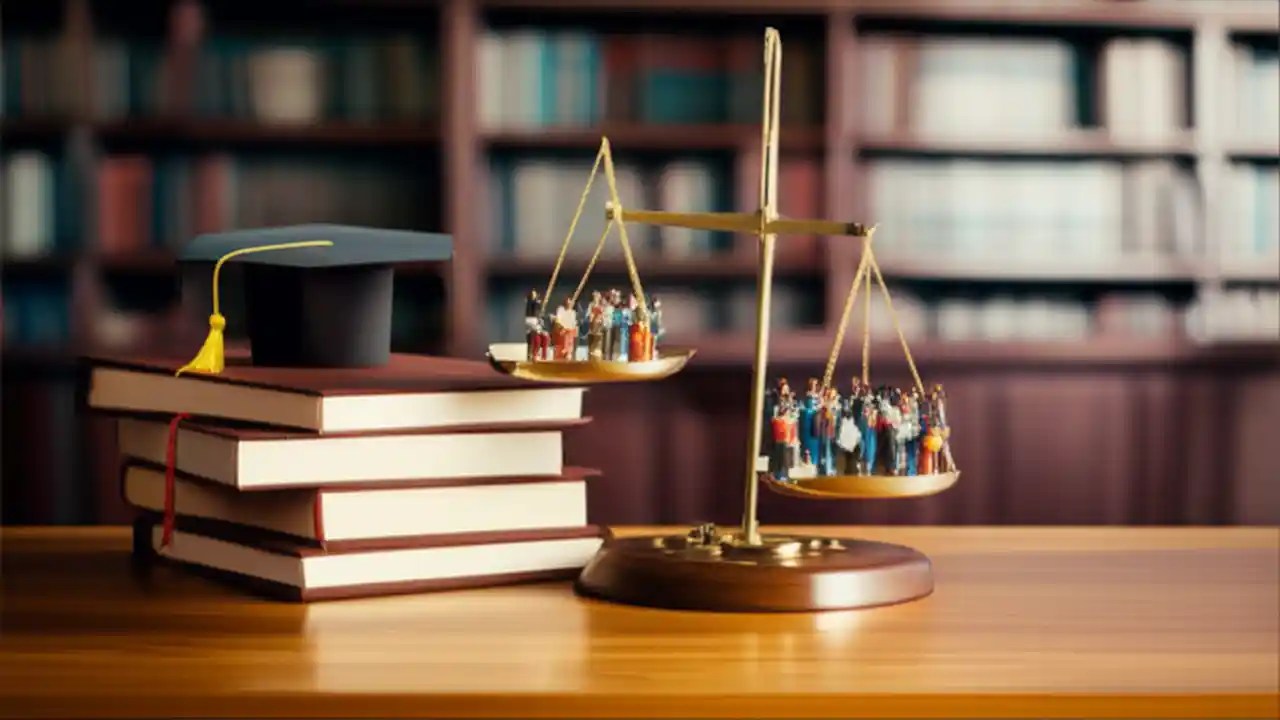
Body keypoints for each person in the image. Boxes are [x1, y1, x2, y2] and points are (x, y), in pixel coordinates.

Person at [834, 394, 860, 475]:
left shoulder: (852, 418)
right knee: (849, 454)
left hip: (852, 438)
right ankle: (851, 469)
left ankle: (852, 469)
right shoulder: (842, 419)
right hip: (845, 438)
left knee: (853, 452)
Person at [768, 405, 791, 481]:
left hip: (777, 441)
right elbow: (786, 432)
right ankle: (781, 475)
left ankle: (777, 474)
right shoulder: (783, 421)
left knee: (778, 460)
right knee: (782, 460)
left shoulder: (775, 421)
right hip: (782, 441)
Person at [551, 296, 577, 360]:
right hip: (561, 331)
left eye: (570, 302)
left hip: (569, 333)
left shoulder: (573, 312)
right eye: (567, 302)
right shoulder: (561, 309)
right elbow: (557, 321)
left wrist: (570, 329)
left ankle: (568, 353)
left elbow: (573, 324)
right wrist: (562, 328)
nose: (569, 304)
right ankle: (565, 352)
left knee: (571, 333)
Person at [587, 291, 606, 360]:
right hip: (593, 323)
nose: (596, 298)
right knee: (592, 336)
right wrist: (591, 317)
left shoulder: (601, 306)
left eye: (597, 297)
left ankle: (596, 351)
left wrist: (601, 319)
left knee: (598, 337)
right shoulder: (591, 305)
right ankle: (591, 351)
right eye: (595, 297)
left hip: (598, 323)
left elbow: (602, 315)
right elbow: (589, 314)